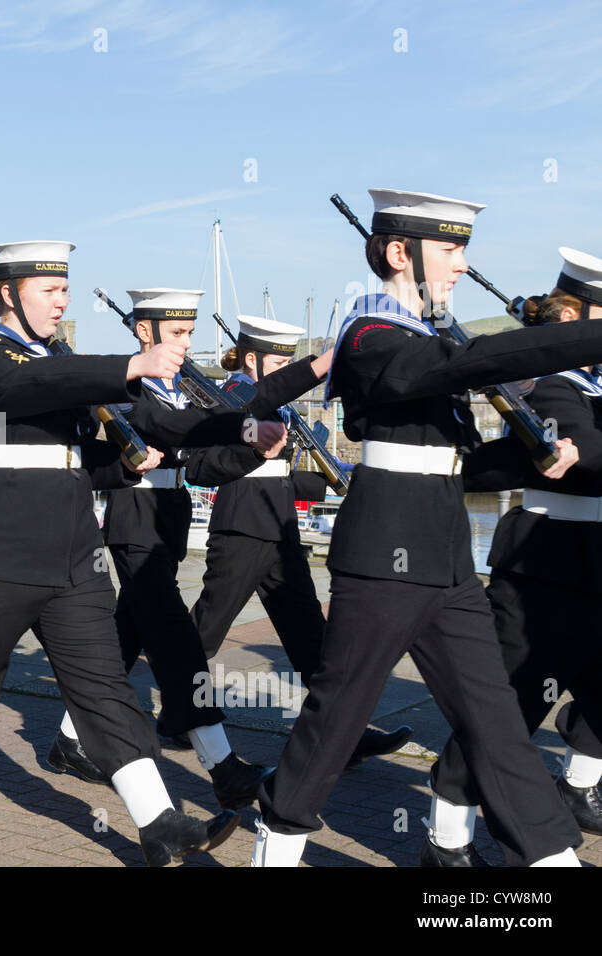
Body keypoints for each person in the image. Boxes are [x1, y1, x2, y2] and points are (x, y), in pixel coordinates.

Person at [251, 189, 602, 867]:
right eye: (451, 249)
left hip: (446, 554)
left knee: (495, 720)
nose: (463, 267)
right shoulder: (370, 333)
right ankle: (280, 833)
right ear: (396, 252)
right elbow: (458, 368)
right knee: (341, 710)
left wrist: (538, 451)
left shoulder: (433, 339)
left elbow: (463, 462)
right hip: (386, 547)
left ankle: (549, 858)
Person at [0, 241, 284, 865]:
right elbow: (32, 384)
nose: (62, 302)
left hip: (72, 558)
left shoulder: (60, 360)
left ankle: (160, 823)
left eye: (65, 290)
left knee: (105, 688)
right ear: (7, 292)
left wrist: (242, 430)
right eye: (49, 291)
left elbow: (157, 426)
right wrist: (131, 364)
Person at [47, 290, 334, 810]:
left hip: (166, 523)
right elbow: (175, 430)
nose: (185, 344)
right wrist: (241, 425)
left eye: (188, 334)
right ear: (143, 332)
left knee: (122, 639)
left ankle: (68, 739)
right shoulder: (134, 391)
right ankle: (222, 767)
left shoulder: (176, 391)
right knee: (179, 644)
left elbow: (199, 468)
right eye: (175, 333)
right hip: (135, 522)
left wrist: (250, 449)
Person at [424, 247, 602, 864]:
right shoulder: (554, 384)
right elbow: (582, 457)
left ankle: (580, 788)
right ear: (575, 316)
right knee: (505, 712)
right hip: (548, 569)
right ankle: (447, 840)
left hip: (594, 563)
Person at [183, 315, 413, 768]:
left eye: (290, 359)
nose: (286, 367)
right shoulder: (234, 394)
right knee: (204, 631)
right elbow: (220, 462)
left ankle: (341, 735)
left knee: (312, 640)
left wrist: (334, 479)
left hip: (280, 528)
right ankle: (177, 714)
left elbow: (281, 476)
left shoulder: (277, 406)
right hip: (243, 529)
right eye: (277, 359)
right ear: (251, 359)